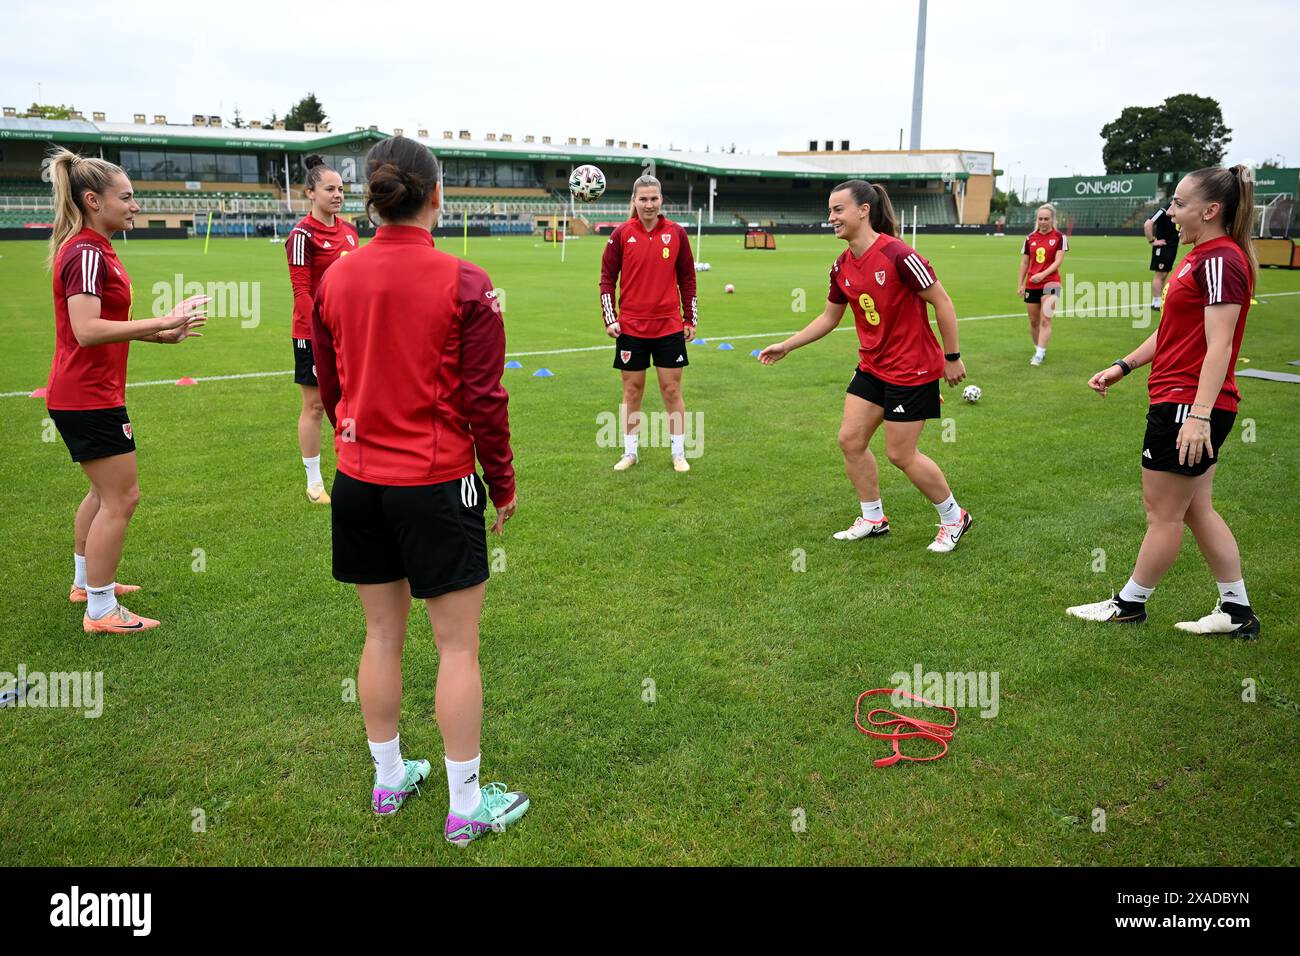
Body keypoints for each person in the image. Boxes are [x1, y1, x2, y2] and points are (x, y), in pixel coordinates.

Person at [312, 136, 529, 843]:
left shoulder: (336, 278)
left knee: (381, 635)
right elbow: (485, 401)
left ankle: (389, 776)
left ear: (374, 199)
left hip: (358, 481)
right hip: (434, 484)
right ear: (437, 196)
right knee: (457, 647)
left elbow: (332, 384)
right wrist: (502, 484)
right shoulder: (465, 280)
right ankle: (465, 805)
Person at [1067, 165, 1260, 638]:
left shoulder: (1220, 260)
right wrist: (1124, 365)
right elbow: (1170, 333)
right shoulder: (1199, 258)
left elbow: (1219, 346)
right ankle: (1236, 612)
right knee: (1195, 509)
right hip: (1184, 402)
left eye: (1179, 203)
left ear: (1210, 210)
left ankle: (1129, 604)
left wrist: (1196, 416)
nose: (1170, 212)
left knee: (1164, 514)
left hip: (1188, 406)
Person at [758, 180, 972, 553]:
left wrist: (951, 358)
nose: (831, 218)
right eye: (829, 210)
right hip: (872, 366)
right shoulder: (841, 265)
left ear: (863, 210)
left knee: (900, 454)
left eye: (838, 210)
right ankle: (873, 518)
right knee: (850, 441)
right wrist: (787, 346)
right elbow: (829, 318)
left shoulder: (899, 255)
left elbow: (943, 302)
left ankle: (955, 517)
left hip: (913, 369)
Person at [44, 148, 208, 633]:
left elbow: (103, 325)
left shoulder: (94, 248)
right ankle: (100, 610)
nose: (136, 205)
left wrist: (161, 334)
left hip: (87, 393)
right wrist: (162, 318)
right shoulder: (88, 252)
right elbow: (87, 330)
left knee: (102, 493)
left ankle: (86, 585)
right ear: (93, 200)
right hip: (87, 396)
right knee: (123, 496)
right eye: (128, 197)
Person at [599, 174, 698, 472]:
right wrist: (610, 317)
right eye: (643, 199)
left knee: (671, 391)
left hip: (668, 327)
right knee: (632, 391)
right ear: (634, 201)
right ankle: (630, 453)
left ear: (661, 200)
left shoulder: (677, 233)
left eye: (654, 198)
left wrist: (689, 318)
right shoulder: (620, 234)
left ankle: (678, 453)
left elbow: (687, 279)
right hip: (631, 328)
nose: (649, 204)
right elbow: (607, 279)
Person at [286, 154, 359, 504]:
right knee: (315, 406)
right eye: (329, 188)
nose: (337, 194)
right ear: (310, 192)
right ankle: (314, 482)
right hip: (312, 335)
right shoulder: (301, 235)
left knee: (352, 401)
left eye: (341, 189)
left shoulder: (351, 232)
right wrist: (321, 331)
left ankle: (354, 466)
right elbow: (301, 292)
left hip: (349, 333)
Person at [1018, 203, 1068, 366]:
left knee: (1045, 319)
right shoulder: (1030, 238)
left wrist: (1043, 275)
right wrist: (1020, 284)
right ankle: (1038, 348)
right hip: (1032, 284)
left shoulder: (1060, 237)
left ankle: (1039, 355)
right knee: (1033, 322)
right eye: (1040, 219)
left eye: (1046, 219)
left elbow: (1059, 260)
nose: (1043, 221)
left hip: (1051, 283)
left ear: (1052, 219)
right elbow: (1025, 262)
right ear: (1037, 220)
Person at [1144, 200, 1180, 311]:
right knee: (1160, 275)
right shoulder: (1164, 210)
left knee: (1164, 274)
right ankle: (1156, 302)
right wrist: (1152, 241)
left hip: (1171, 247)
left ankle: (1159, 301)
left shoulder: (1176, 210)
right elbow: (1148, 223)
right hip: (1162, 247)